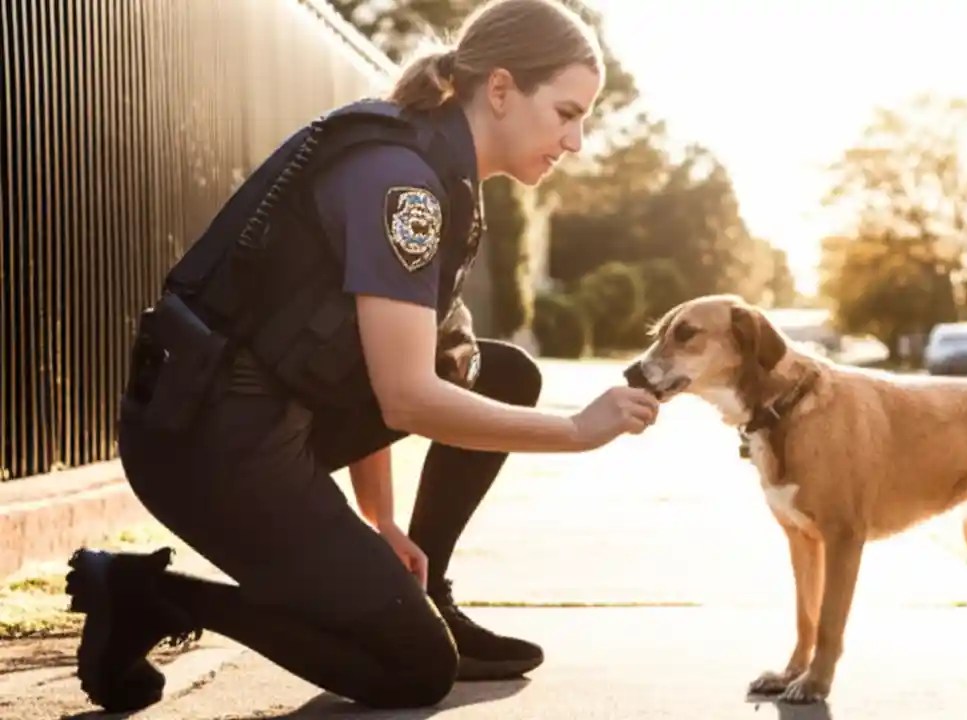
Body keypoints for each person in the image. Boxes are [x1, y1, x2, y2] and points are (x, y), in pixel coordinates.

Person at [62, 0, 661, 712]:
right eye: (566, 113)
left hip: (266, 416)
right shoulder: (400, 184)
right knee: (410, 668)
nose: (577, 142)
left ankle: (420, 591)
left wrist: (381, 523)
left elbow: (358, 362)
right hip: (207, 445)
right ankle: (148, 597)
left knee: (498, 372)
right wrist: (575, 432)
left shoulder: (439, 171)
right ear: (500, 89)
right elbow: (405, 397)